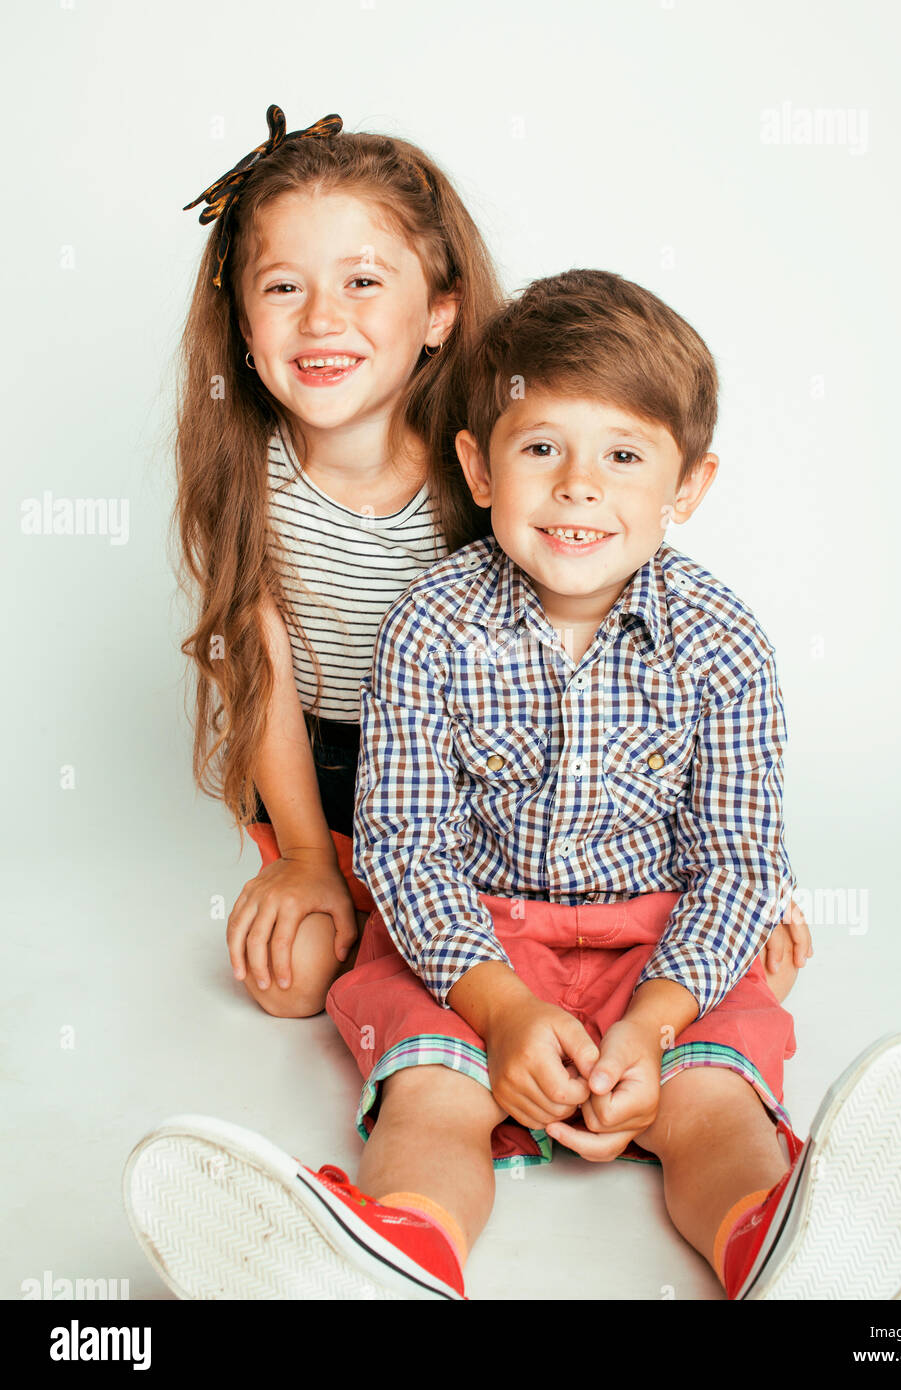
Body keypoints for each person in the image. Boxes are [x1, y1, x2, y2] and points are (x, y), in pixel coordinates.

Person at [126, 269, 901, 1301]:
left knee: (710, 1100)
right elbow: (405, 847)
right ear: (481, 469)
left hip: (658, 945)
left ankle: (780, 1243)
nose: (579, 486)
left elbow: (741, 859)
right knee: (434, 1094)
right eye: (543, 449)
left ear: (688, 487)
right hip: (475, 939)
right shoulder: (431, 625)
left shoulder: (722, 641)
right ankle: (398, 1253)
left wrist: (657, 1020)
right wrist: (499, 1010)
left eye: (623, 455)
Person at [172, 104, 503, 1017]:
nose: (322, 318)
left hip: (471, 763)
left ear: (439, 313)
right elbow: (262, 672)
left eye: (362, 281)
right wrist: (312, 860)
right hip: (320, 770)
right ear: (242, 326)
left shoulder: (481, 465)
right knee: (294, 983)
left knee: (502, 951)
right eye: (282, 288)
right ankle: (365, 909)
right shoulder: (247, 475)